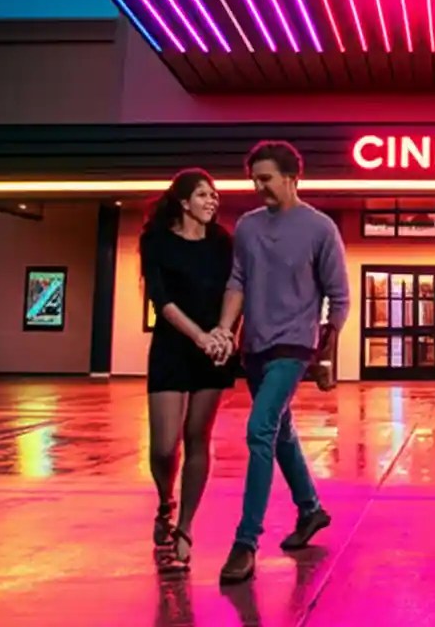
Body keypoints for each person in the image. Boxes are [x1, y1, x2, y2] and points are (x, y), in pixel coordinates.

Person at [210, 140, 350, 584]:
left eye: (266, 179)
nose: (258, 187)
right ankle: (310, 510)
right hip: (255, 346)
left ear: (292, 178)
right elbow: (237, 280)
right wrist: (225, 330)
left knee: (260, 430)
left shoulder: (320, 228)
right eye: (254, 180)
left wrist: (326, 351)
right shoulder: (248, 227)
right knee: (281, 432)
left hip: (294, 345)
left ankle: (246, 542)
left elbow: (339, 296)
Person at [140, 168, 236, 574]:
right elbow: (160, 299)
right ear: (183, 201)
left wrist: (225, 334)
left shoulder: (221, 243)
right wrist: (198, 335)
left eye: (214, 195)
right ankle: (166, 501)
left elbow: (237, 288)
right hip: (173, 346)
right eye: (203, 195)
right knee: (165, 445)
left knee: (198, 437)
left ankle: (185, 528)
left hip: (213, 350)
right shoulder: (157, 240)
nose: (212, 201)